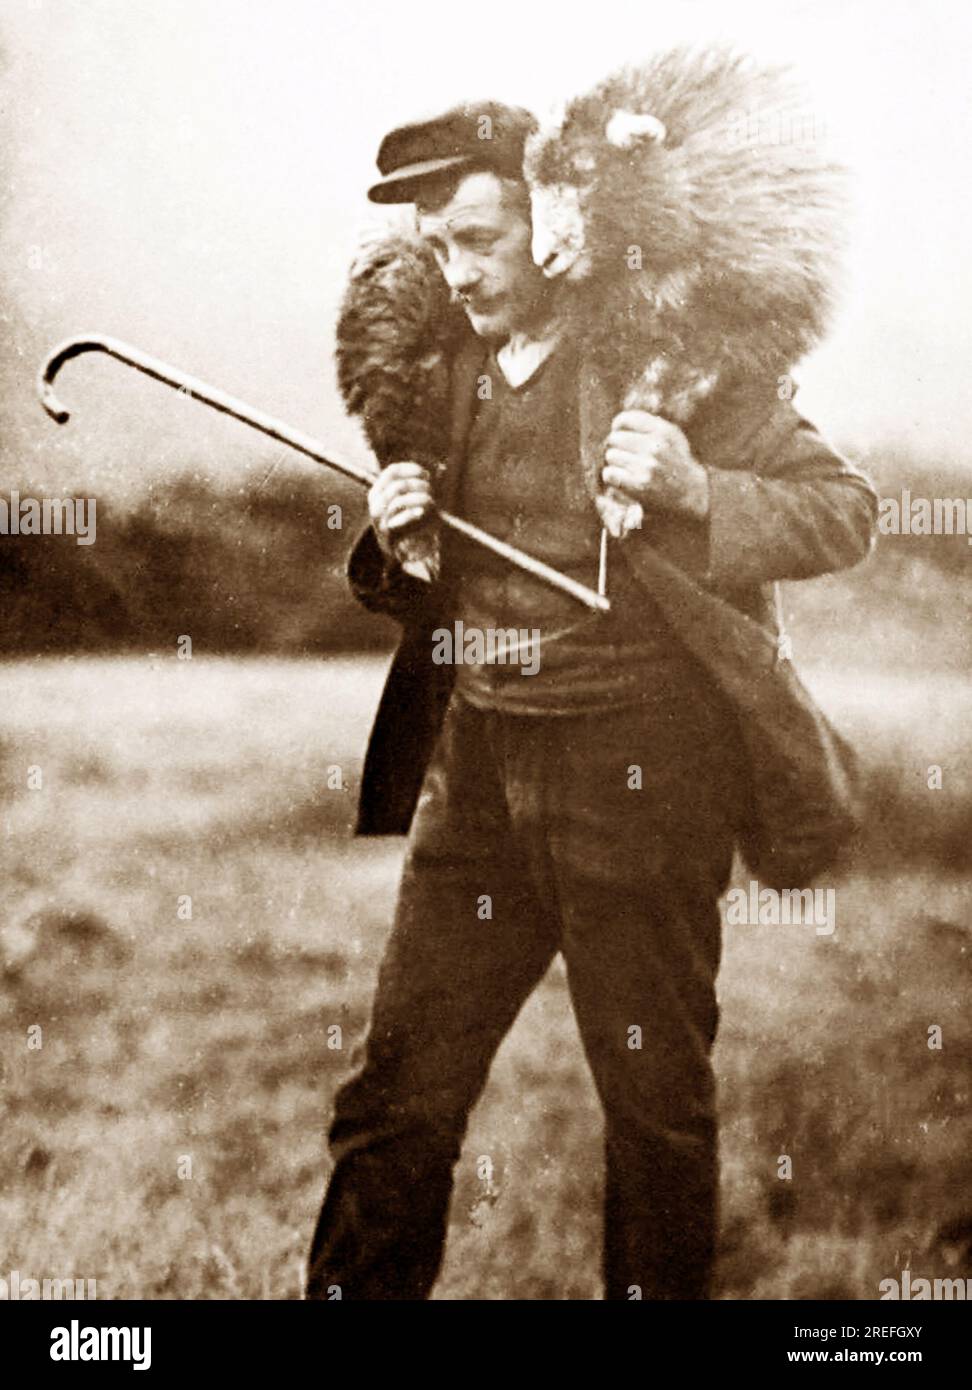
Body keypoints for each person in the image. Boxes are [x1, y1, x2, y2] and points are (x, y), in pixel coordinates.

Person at [305, 101, 878, 1300]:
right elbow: (432, 572)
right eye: (436, 245)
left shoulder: (676, 362)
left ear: (555, 227)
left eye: (480, 239)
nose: (456, 275)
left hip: (645, 778)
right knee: (394, 1100)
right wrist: (401, 541)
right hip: (479, 781)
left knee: (653, 1115)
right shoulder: (440, 374)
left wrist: (699, 485)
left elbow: (843, 509)